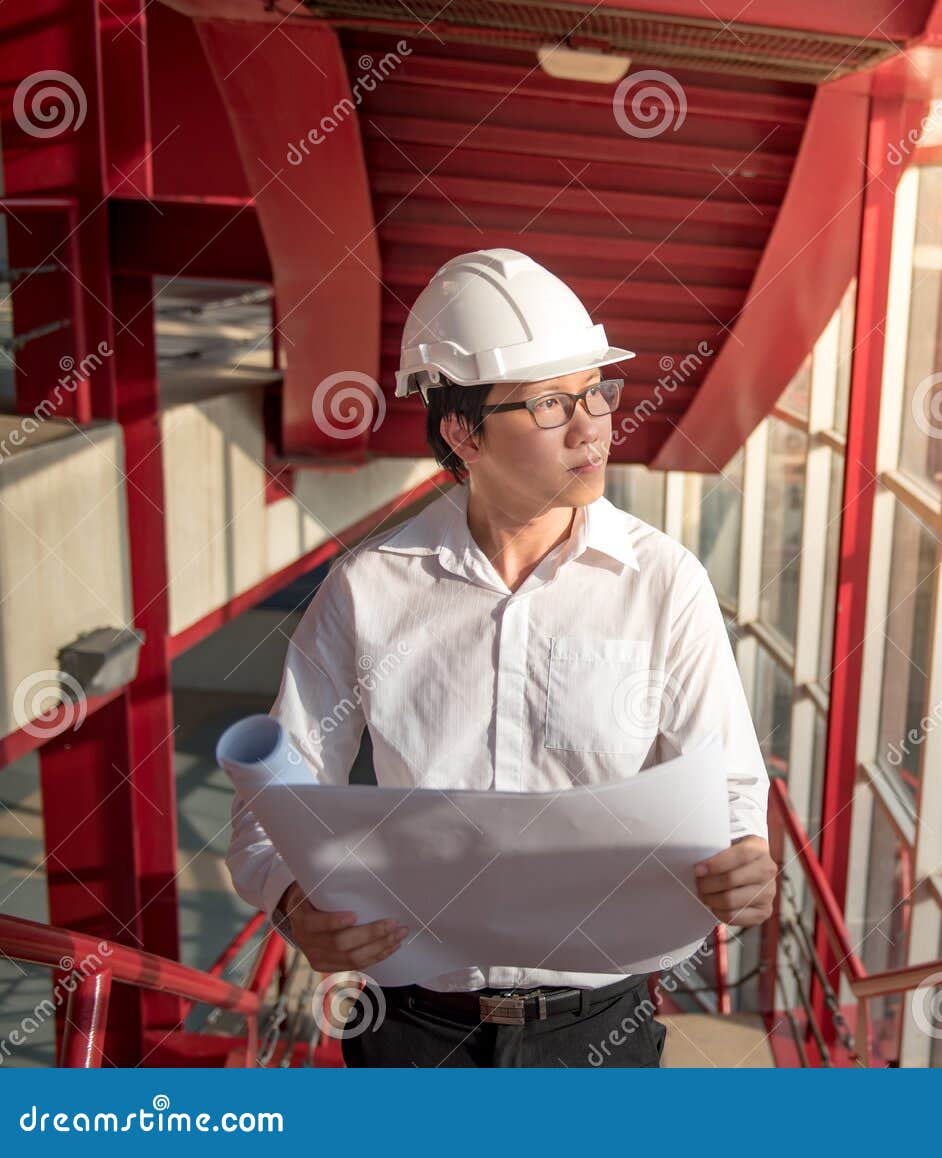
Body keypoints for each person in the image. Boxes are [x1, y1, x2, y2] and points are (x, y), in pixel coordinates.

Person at [225, 248, 777, 1068]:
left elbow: (732, 795)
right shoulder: (369, 589)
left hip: (600, 1033)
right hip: (409, 1029)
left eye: (596, 390)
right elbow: (273, 801)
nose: (594, 424)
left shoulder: (664, 583)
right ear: (463, 433)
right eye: (554, 403)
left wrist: (747, 866)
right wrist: (290, 902)